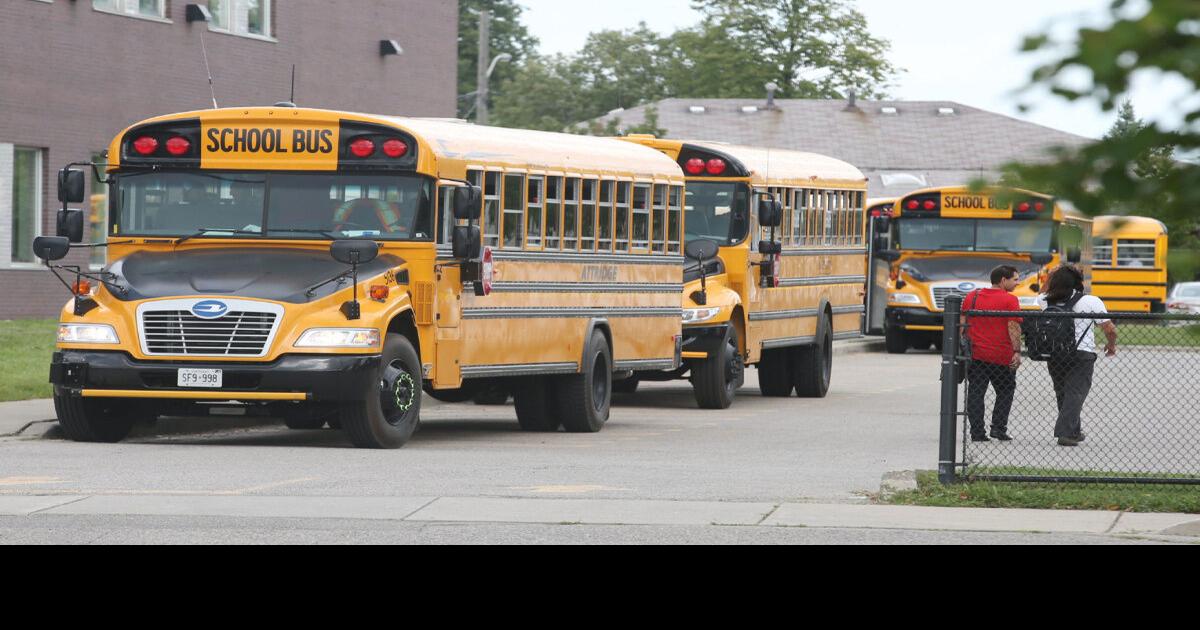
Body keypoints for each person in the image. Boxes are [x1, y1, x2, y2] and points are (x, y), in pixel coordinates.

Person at [1040, 265, 1118, 447]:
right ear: (1078, 282)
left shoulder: (1045, 300)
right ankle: (1065, 433)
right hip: (1081, 353)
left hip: (1055, 353)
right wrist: (1111, 345)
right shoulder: (1090, 301)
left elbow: (1042, 291)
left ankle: (1073, 431)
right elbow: (1109, 328)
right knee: (1076, 393)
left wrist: (1051, 275)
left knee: (1063, 393)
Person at [963, 265, 1024, 442]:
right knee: (1006, 389)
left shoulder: (972, 296)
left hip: (976, 354)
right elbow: (1013, 326)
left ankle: (977, 432)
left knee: (976, 392)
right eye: (1015, 279)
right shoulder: (1010, 300)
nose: (1017, 283)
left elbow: (962, 323)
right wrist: (1017, 351)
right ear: (1003, 280)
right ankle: (998, 428)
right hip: (1001, 356)